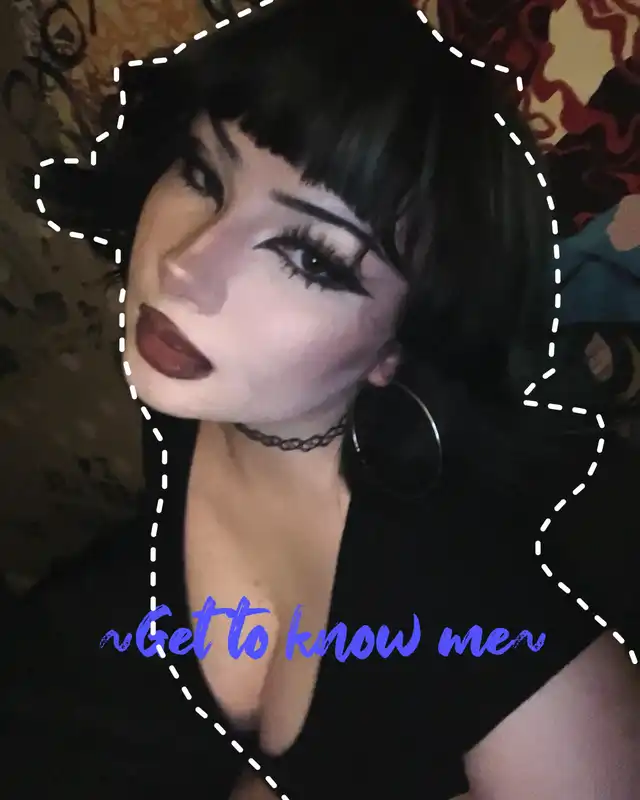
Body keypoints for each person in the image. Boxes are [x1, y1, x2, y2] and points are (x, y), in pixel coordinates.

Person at [1, 1, 638, 798]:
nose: (188, 265)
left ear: (402, 344)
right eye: (203, 174)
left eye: (309, 257)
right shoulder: (206, 391)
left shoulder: (483, 618)